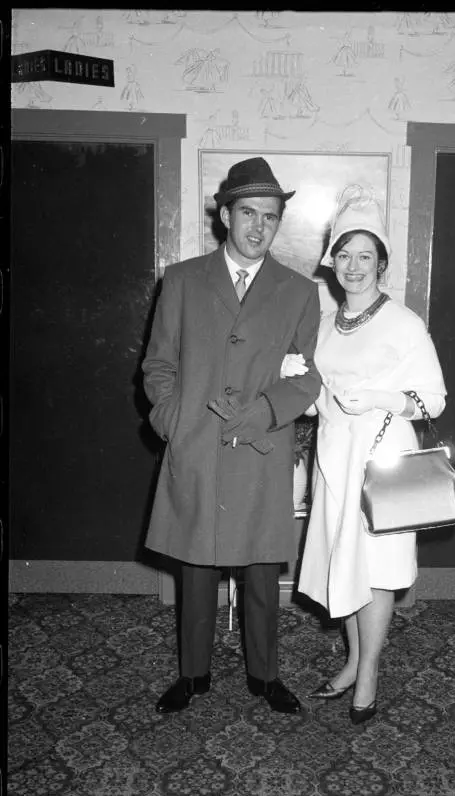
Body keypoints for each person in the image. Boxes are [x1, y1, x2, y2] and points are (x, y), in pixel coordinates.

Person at [143, 156, 322, 715]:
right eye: (248, 213)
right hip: (195, 445)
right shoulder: (183, 279)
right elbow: (158, 366)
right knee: (196, 567)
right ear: (225, 215)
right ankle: (193, 674)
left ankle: (264, 676)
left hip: (262, 450)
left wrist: (267, 410)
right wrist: (175, 421)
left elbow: (309, 375)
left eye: (270, 217)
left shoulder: (298, 291)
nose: (258, 227)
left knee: (262, 572)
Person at [297, 188, 446, 724]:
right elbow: (322, 406)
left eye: (365, 256)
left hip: (383, 463)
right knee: (346, 563)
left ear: (381, 263)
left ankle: (369, 672)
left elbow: (433, 399)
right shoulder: (325, 323)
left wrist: (383, 398)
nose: (353, 266)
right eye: (344, 254)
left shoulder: (403, 324)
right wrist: (303, 385)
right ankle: (353, 657)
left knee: (377, 570)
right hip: (336, 460)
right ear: (331, 262)